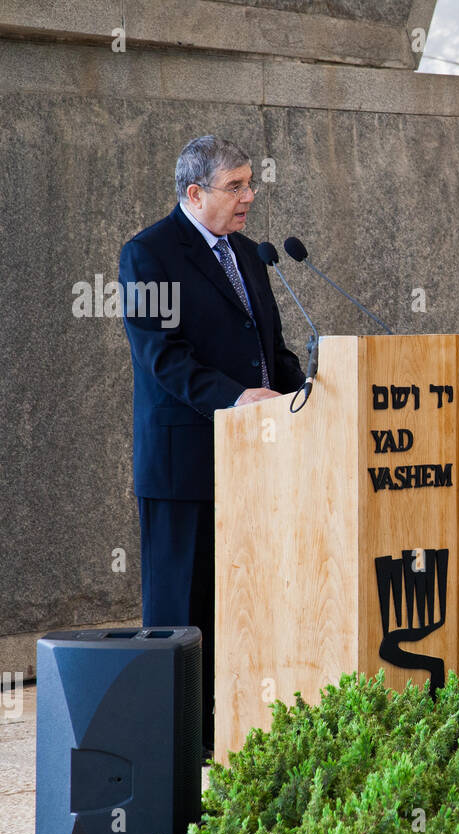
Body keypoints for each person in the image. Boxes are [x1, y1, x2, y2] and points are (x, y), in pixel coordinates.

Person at [119, 135, 306, 759]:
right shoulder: (148, 254)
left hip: (255, 460)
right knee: (185, 607)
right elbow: (161, 357)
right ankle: (176, 745)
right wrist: (235, 397)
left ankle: (237, 726)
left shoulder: (250, 254)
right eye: (236, 186)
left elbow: (269, 349)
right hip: (185, 465)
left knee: (245, 601)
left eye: (251, 183)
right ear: (195, 193)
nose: (249, 196)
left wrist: (309, 393)